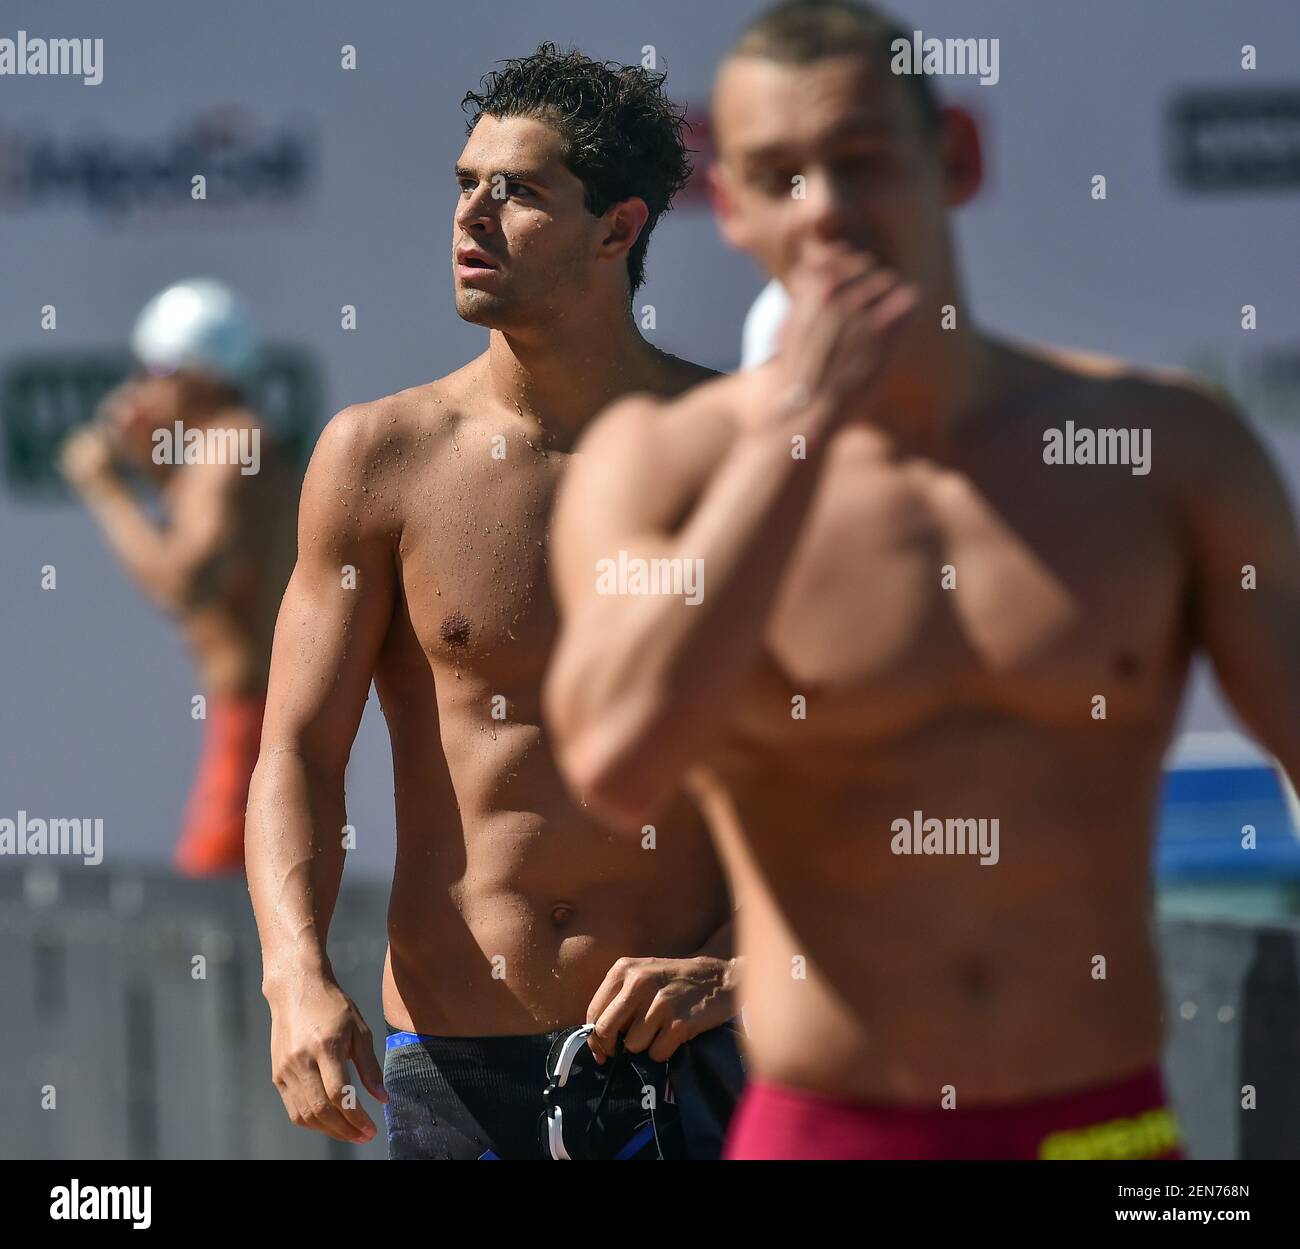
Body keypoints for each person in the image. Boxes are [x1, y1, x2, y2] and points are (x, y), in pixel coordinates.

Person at [544, 0, 1300, 1159]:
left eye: (861, 162)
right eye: (781, 176)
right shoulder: (658, 468)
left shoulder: (1163, 448)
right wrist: (792, 438)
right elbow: (613, 758)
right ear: (732, 208)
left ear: (956, 158)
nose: (830, 210)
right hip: (828, 1132)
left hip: (1107, 1135)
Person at [246, 44, 743, 1161]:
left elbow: (850, 757)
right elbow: (298, 749)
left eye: (516, 191)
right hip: (457, 1068)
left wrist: (744, 960)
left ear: (618, 229)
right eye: (465, 184)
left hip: (689, 1054)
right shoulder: (380, 458)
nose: (472, 215)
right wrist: (293, 973)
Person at [59, 278, 297, 877]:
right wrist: (155, 472)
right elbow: (215, 568)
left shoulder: (228, 446)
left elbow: (184, 584)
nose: (141, 386)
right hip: (254, 716)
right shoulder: (231, 445)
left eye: (153, 368)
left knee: (213, 912)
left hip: (255, 722)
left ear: (199, 374)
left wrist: (106, 490)